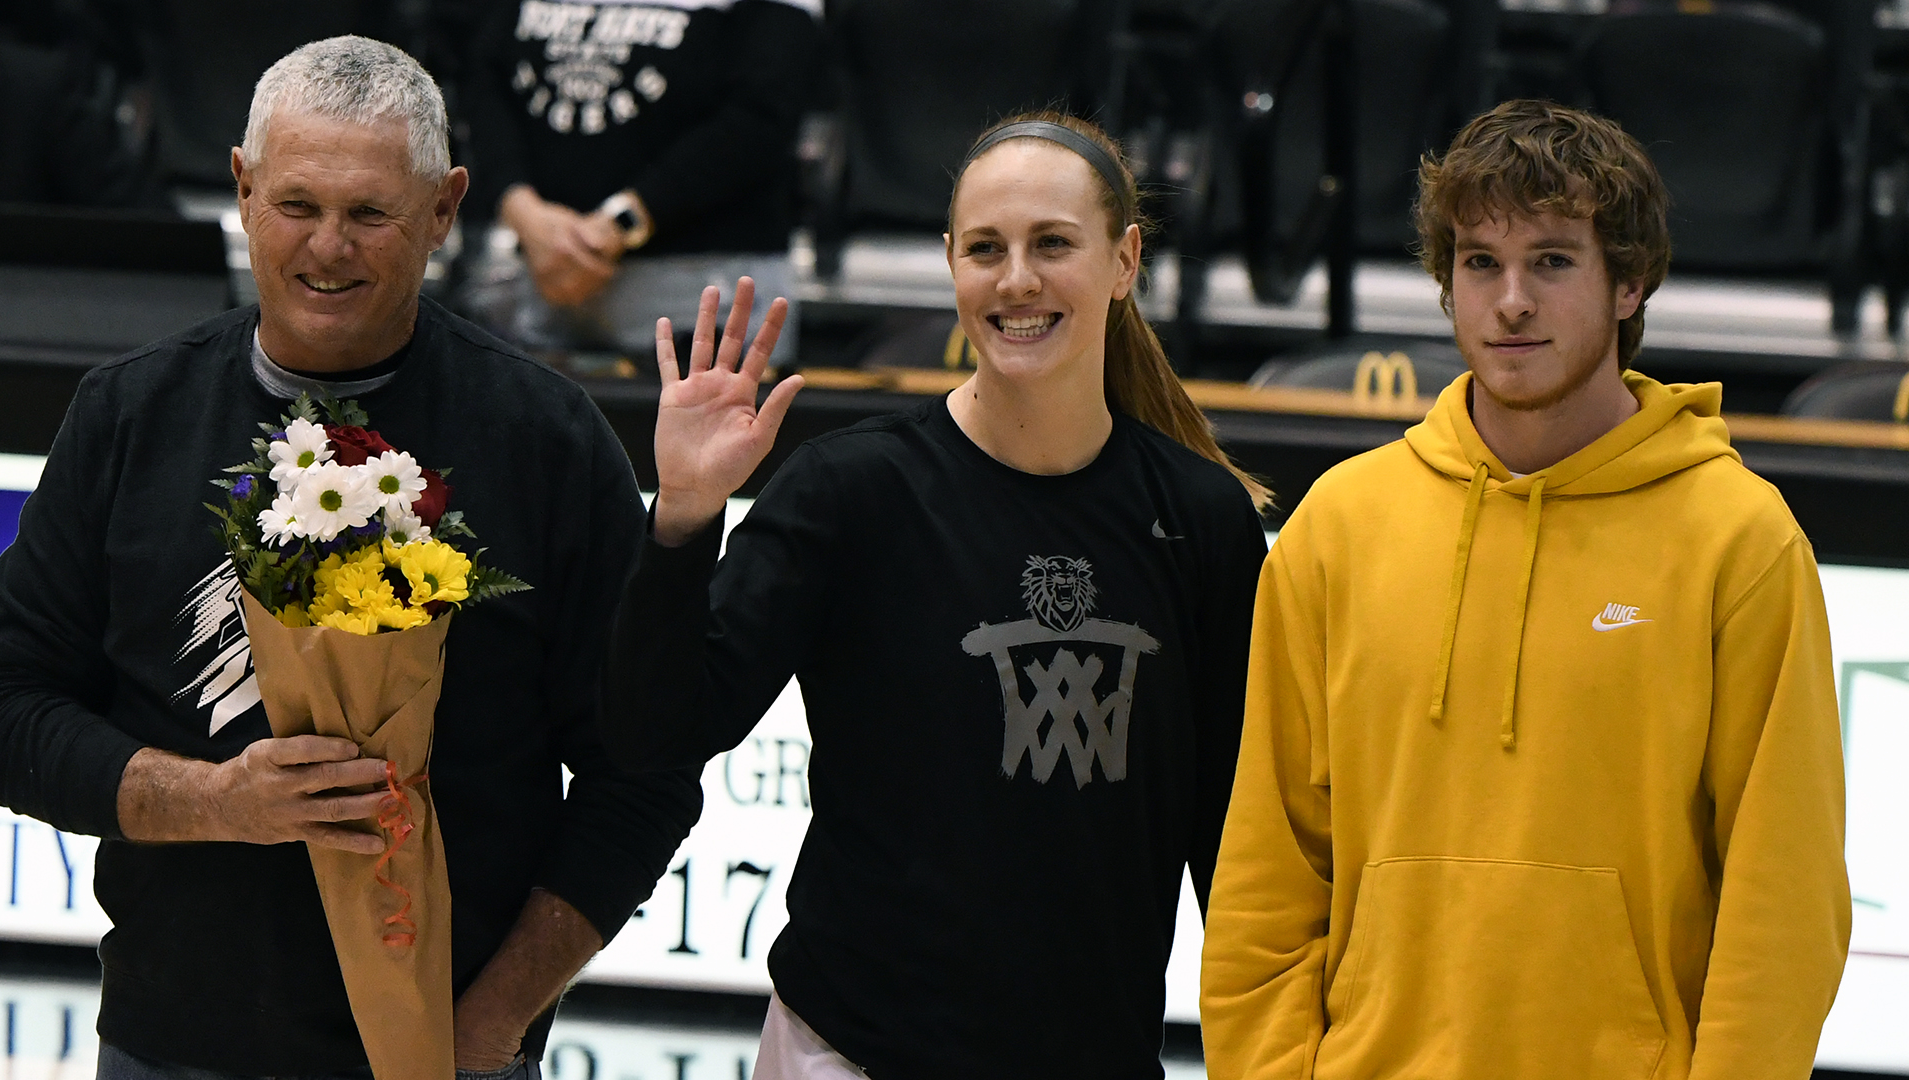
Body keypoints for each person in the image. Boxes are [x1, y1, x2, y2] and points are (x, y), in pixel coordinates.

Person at [0, 36, 701, 1080]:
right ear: (238, 186)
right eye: (297, 205)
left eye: (371, 213)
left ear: (446, 208)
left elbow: (641, 778)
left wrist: (490, 1024)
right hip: (168, 1042)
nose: (328, 249)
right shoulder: (128, 413)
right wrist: (215, 802)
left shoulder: (547, 439)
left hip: (450, 1055)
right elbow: (5, 708)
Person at [602, 112, 1271, 1078]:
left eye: (1053, 245)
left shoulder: (1201, 517)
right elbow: (653, 736)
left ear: (1125, 260)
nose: (1018, 281)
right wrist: (682, 524)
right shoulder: (850, 491)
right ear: (949, 262)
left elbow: (1230, 833)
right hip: (852, 1050)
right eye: (986, 250)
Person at [1200, 99, 1850, 1079]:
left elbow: (1784, 903)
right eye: (1478, 262)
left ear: (1629, 283)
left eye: (1551, 260)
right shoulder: (1338, 527)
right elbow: (1267, 875)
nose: (1511, 301)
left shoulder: (1739, 542)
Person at [456, 0, 820, 365]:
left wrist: (620, 223)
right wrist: (521, 208)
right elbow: (484, 79)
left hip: (700, 285)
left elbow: (763, 113)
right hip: (544, 275)